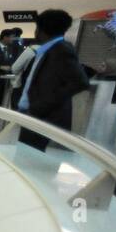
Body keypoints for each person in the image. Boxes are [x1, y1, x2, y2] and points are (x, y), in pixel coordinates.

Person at [15, 9, 90, 150]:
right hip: (34, 115)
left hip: (44, 118)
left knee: (31, 162)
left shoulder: (61, 50)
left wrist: (42, 104)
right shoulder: (47, 50)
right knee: (25, 157)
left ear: (41, 29)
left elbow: (80, 82)